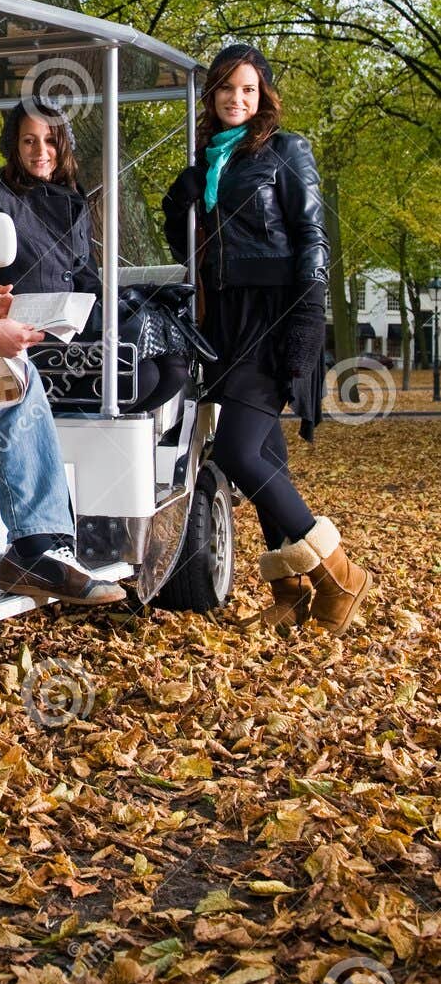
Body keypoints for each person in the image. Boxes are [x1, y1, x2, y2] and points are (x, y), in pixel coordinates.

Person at [162, 44, 372, 636]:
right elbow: (187, 236)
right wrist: (185, 213)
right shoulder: (207, 163)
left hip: (275, 312)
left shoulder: (287, 151)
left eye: (248, 90)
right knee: (266, 455)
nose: (237, 99)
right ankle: (291, 587)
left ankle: (339, 574)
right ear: (212, 95)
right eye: (227, 88)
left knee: (235, 449)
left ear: (264, 96)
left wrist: (307, 322)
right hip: (223, 318)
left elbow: (312, 237)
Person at [0, 104, 125, 606]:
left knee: (19, 373)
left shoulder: (74, 201)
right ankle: (39, 547)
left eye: (51, 141)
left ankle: (43, 548)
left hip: (25, 325)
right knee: (11, 378)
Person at [0, 99, 189, 416]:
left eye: (50, 140)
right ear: (14, 146)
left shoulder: (72, 199)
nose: (40, 151)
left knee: (174, 368)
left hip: (77, 331)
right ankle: (72, 430)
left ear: (63, 145)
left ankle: (93, 430)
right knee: (144, 376)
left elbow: (86, 279)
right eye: (29, 141)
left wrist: (128, 300)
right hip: (34, 340)